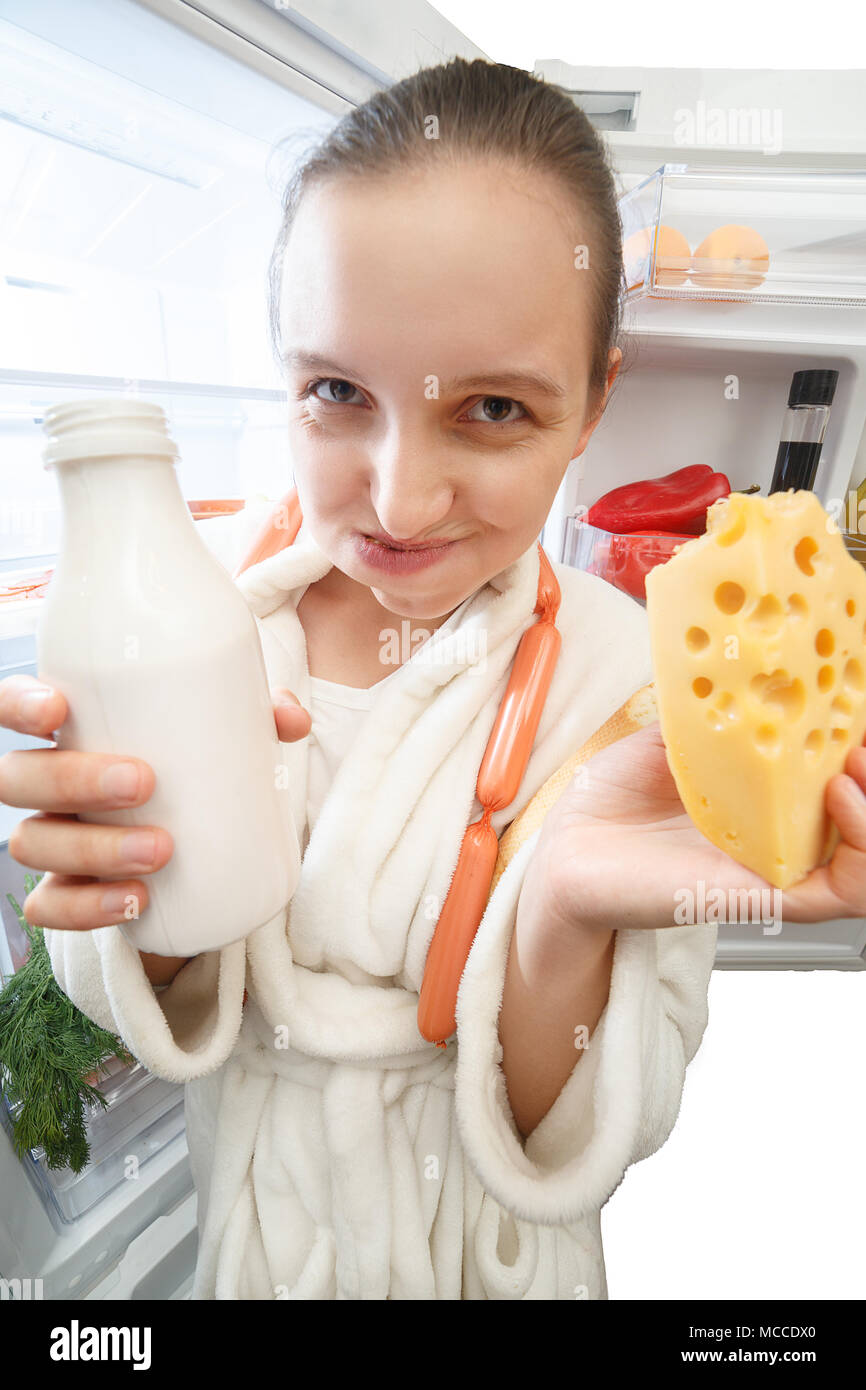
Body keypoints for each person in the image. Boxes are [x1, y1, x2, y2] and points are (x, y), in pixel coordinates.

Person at [3, 57, 865, 1301]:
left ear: (591, 407)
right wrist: (123, 887)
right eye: (337, 391)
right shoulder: (191, 630)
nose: (399, 499)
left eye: (495, 410)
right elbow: (169, 995)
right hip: (264, 1243)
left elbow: (585, 1134)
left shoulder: (648, 690)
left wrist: (561, 908)